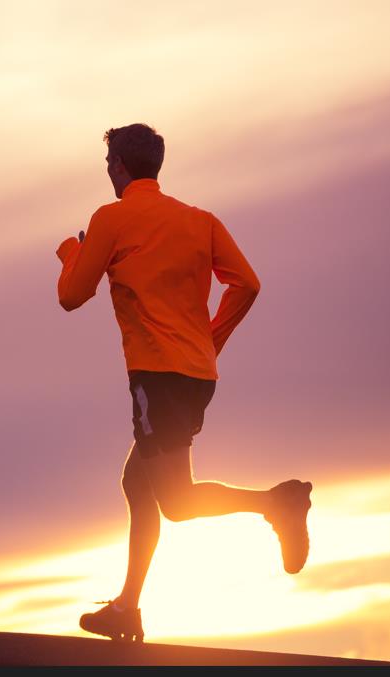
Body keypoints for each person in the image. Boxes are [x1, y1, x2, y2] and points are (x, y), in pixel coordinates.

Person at [55, 123, 312, 643]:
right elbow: (248, 284)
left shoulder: (111, 218)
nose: (109, 174)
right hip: (197, 374)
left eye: (110, 165)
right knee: (137, 483)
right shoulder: (200, 220)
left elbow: (71, 295)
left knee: (175, 501)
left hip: (156, 375)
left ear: (121, 167)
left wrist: (71, 254)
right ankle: (127, 607)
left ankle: (277, 503)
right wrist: (210, 340)